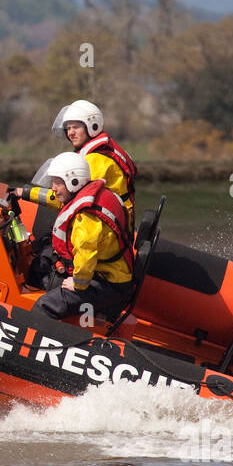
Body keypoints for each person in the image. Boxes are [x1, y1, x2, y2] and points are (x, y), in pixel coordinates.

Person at [29, 152, 135, 321]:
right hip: (103, 275)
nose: (53, 188)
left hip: (108, 284)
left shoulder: (86, 219)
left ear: (73, 181)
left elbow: (86, 255)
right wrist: (25, 193)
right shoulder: (90, 193)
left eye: (57, 182)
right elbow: (57, 200)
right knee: (38, 268)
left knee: (44, 307)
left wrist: (78, 285)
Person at [22, 100, 138, 228]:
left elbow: (70, 198)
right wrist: (26, 191)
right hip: (112, 220)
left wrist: (26, 193)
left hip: (107, 228)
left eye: (76, 127)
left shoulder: (96, 160)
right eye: (68, 128)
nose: (70, 133)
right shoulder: (103, 150)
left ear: (93, 125)